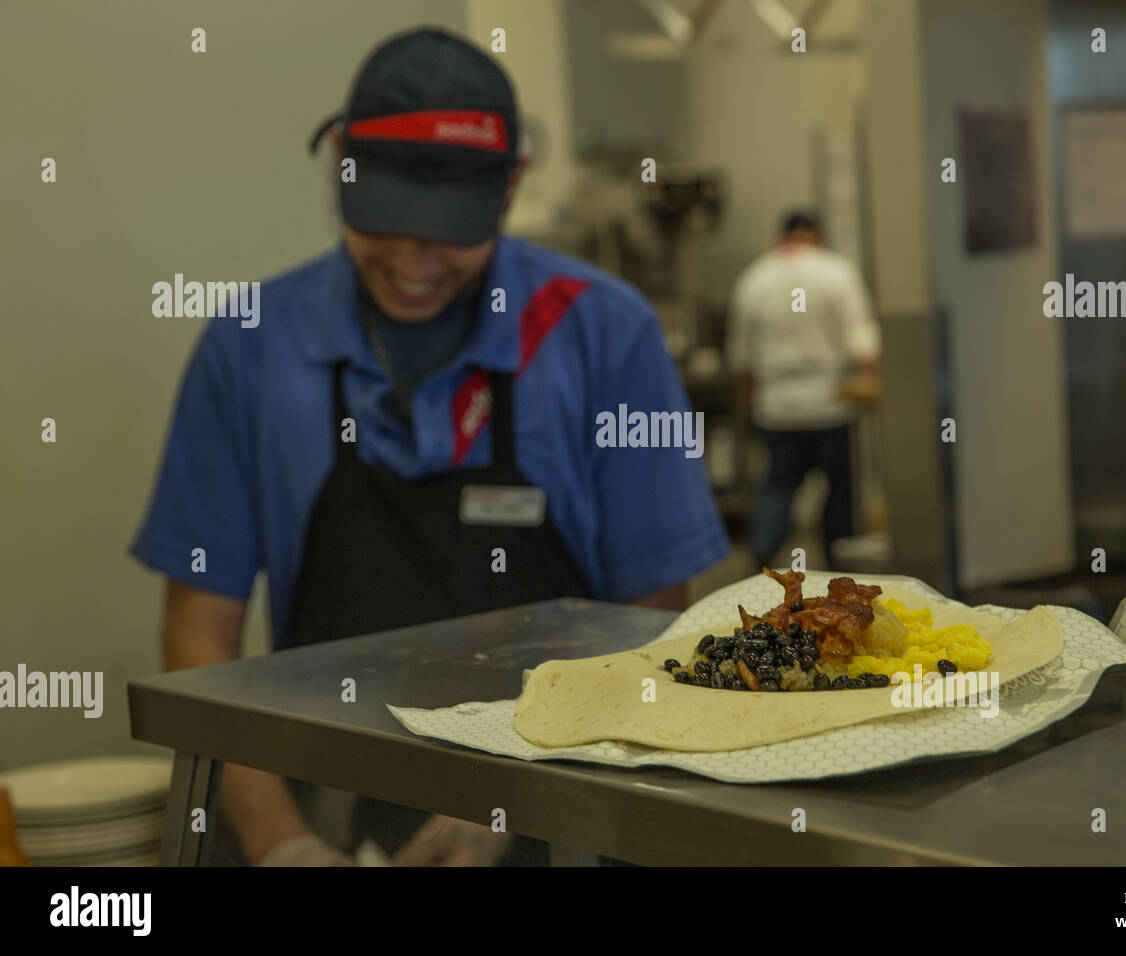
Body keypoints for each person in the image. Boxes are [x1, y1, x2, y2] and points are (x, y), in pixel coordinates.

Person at [130, 27, 728, 866]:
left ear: (512, 185)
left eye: (450, 229)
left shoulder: (603, 335)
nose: (413, 261)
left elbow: (650, 626)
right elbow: (200, 636)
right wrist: (279, 845)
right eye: (383, 222)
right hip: (322, 818)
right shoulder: (250, 345)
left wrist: (517, 794)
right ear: (339, 163)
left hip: (564, 816)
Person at [726, 210, 881, 570]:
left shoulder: (754, 277)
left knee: (778, 485)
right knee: (840, 490)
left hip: (776, 403)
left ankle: (760, 561)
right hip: (831, 401)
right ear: (819, 236)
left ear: (781, 237)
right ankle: (839, 566)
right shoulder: (837, 271)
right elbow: (863, 346)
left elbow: (740, 359)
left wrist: (747, 406)